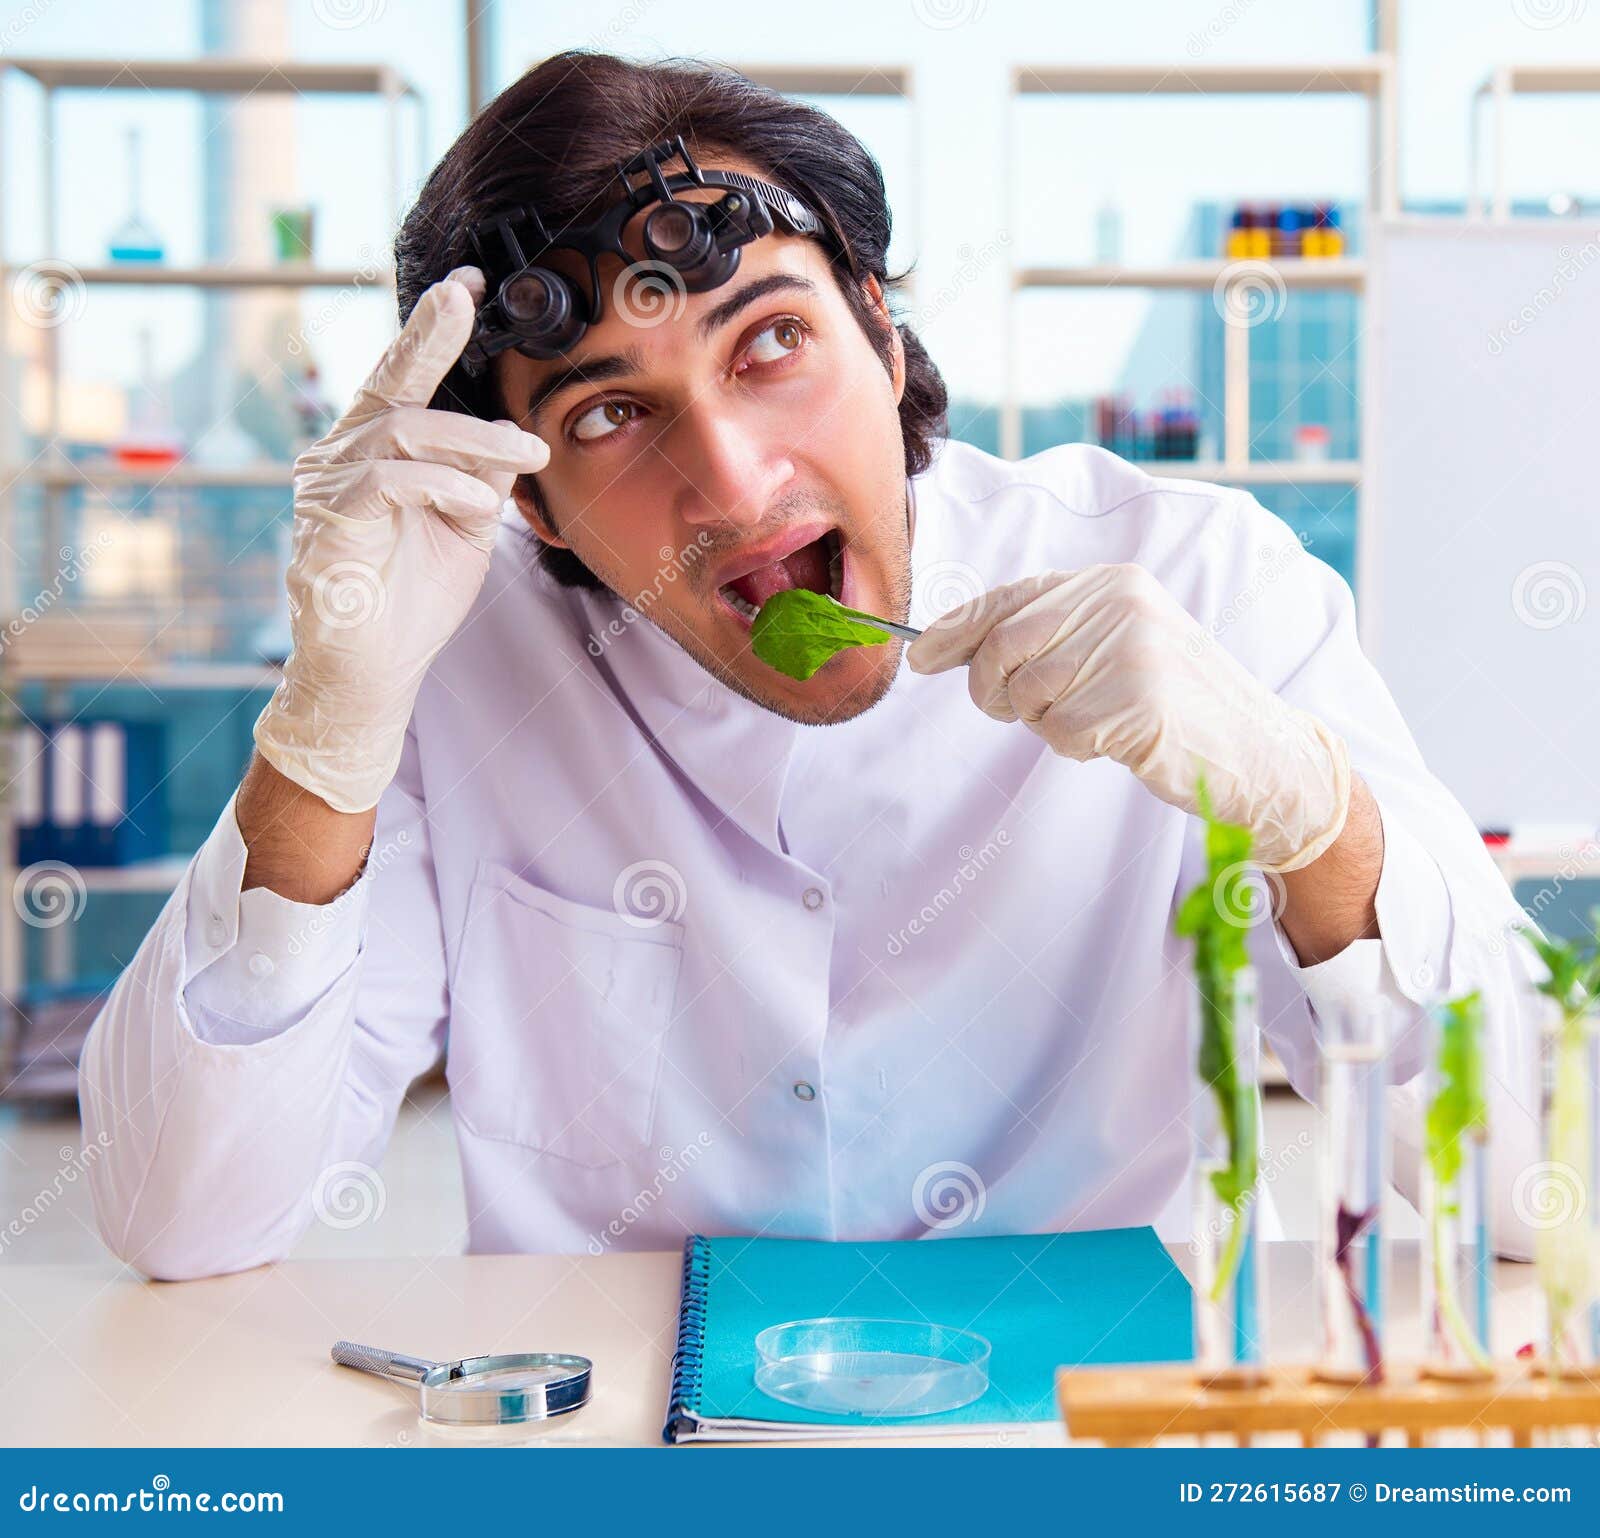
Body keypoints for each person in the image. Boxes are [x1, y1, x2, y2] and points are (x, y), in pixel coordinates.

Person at [81, 53, 1538, 1280]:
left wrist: (1310, 812)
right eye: (605, 417)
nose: (728, 477)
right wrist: (325, 726)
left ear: (882, 334)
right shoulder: (447, 656)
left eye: (770, 339)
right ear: (531, 505)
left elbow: (1527, 1190)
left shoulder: (1205, 581)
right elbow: (182, 1224)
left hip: (1092, 1443)